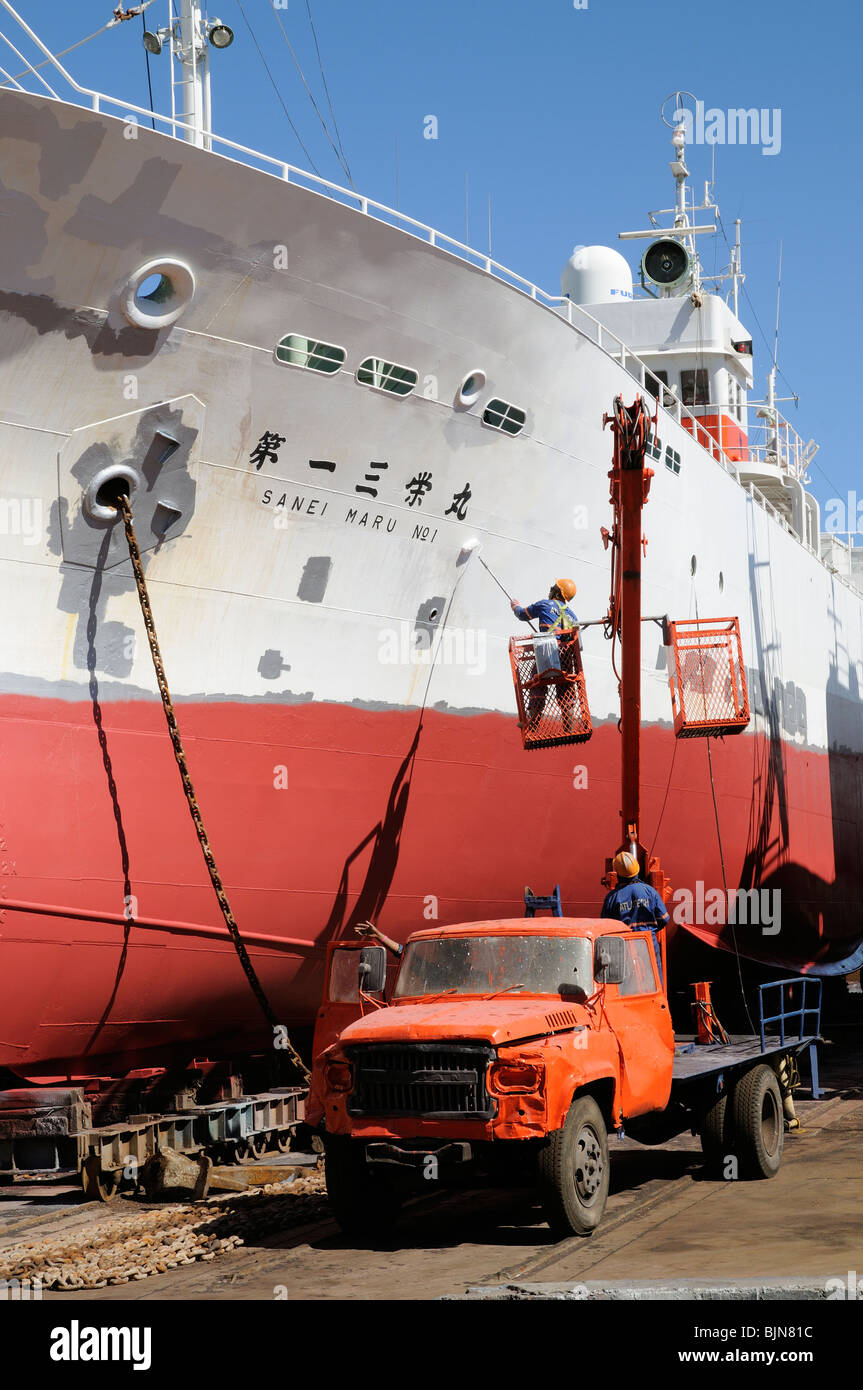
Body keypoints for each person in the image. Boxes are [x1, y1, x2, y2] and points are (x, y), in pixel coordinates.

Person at [510, 579, 580, 732]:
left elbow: (522, 614)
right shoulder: (572, 615)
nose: (550, 590)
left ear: (557, 592)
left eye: (553, 588)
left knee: (537, 683)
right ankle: (568, 725)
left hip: (547, 652)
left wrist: (515, 605)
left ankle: (533, 724)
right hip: (567, 657)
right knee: (565, 688)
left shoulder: (545, 604)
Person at [600, 851, 669, 983]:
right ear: (637, 870)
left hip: (623, 948)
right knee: (653, 982)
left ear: (618, 874)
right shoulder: (650, 891)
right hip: (648, 944)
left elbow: (605, 930)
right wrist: (649, 930)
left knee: (627, 986)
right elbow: (664, 919)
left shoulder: (612, 898)